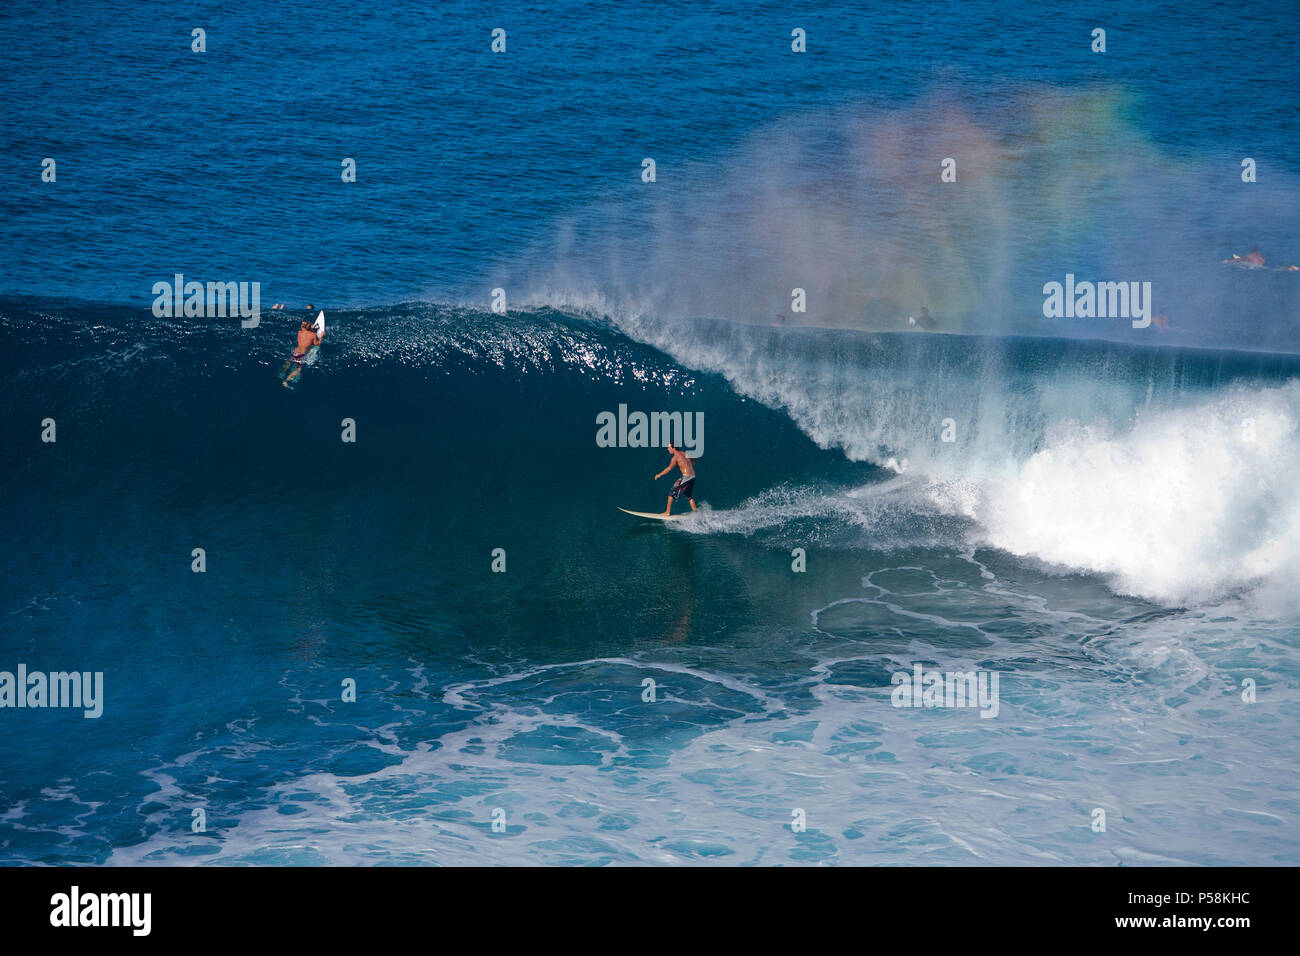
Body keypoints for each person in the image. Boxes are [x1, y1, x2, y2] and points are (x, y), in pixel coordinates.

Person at [654, 441, 697, 515]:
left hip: (686, 477)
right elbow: (693, 461)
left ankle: (667, 512)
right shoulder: (685, 453)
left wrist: (659, 474)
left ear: (673, 448)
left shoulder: (675, 457)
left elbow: (669, 469)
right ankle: (696, 513)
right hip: (693, 476)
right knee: (688, 494)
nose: (668, 449)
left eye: (669, 447)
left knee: (672, 492)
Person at [281, 318, 322, 387]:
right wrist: (321, 336)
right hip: (301, 354)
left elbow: (305, 333)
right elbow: (316, 344)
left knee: (289, 362)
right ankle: (286, 381)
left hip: (295, 352)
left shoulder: (299, 332)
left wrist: (310, 328)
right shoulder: (313, 335)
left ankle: (281, 374)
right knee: (298, 370)